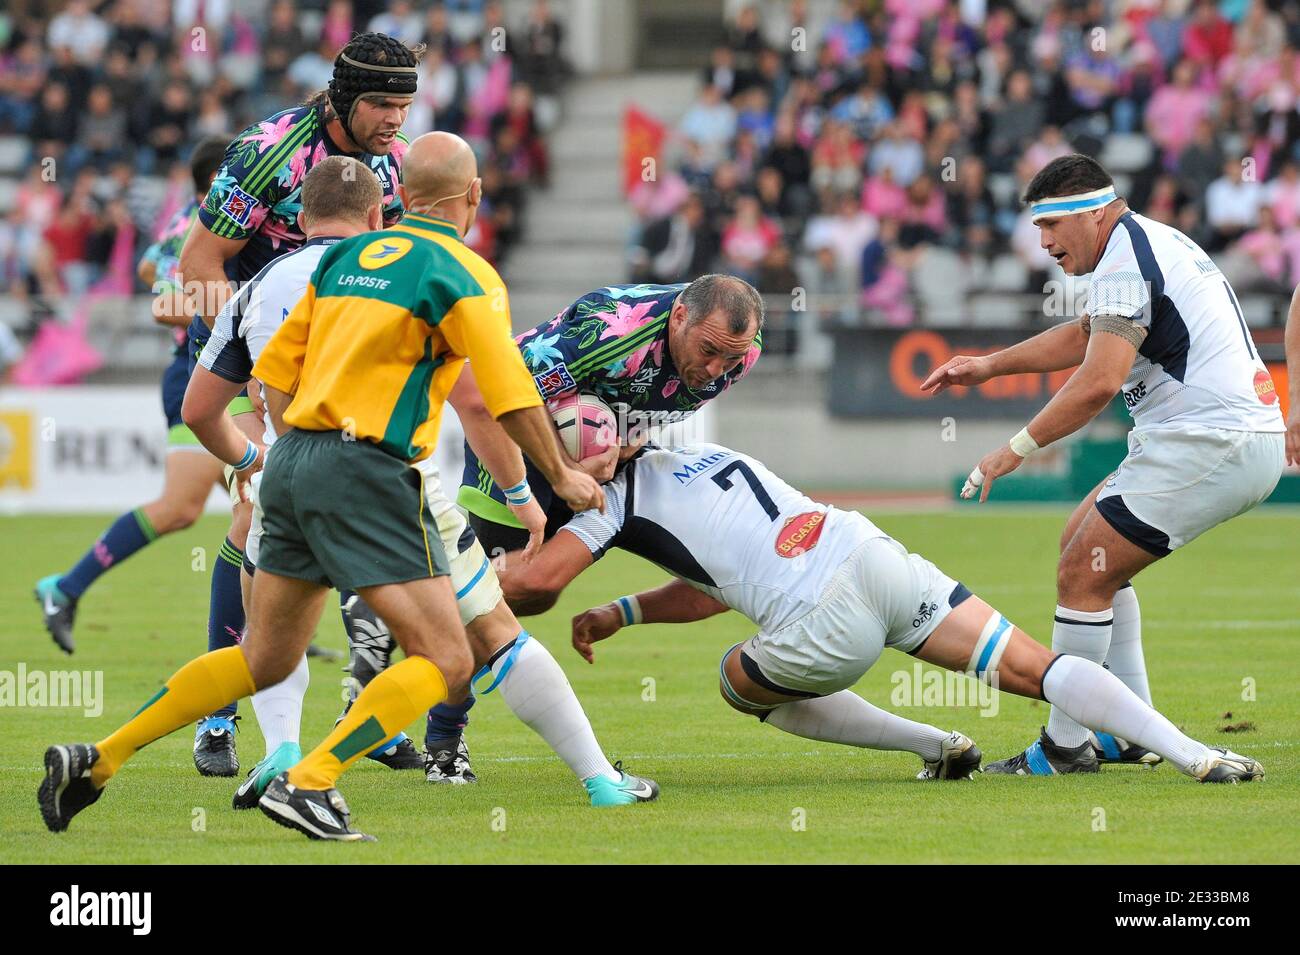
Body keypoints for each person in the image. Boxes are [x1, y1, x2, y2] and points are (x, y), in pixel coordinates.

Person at [38, 131, 607, 842]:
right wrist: (562, 475)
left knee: (263, 658)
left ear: (401, 196)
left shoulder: (339, 261)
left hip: (290, 460)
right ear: (474, 196)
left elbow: (272, 374)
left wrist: (293, 453)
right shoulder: (465, 272)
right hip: (370, 468)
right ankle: (309, 780)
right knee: (449, 657)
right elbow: (502, 395)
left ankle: (98, 758)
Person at [508, 442, 1263, 785]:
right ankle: (1192, 752)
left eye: (574, 429)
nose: (578, 442)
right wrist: (626, 611)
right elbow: (724, 578)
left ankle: (932, 741)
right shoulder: (709, 455)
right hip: (871, 552)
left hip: (823, 615)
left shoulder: (604, 497)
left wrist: (469, 576)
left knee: (735, 678)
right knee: (1037, 668)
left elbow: (539, 586)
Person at [922, 154, 1285, 775]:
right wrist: (986, 365)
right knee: (1084, 554)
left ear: (1091, 213)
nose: (1043, 244)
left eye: (1050, 226)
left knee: (1081, 577)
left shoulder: (1123, 260)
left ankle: (1067, 744)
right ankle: (1126, 729)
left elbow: (1098, 379)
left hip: (1208, 439)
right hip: (1214, 436)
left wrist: (1013, 451)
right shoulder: (1143, 243)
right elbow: (1087, 336)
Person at [178, 32, 420, 777]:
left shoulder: (395, 163)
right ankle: (218, 718)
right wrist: (252, 355)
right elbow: (197, 265)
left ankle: (366, 712)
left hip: (339, 357)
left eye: (405, 106)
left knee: (384, 515)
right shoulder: (267, 150)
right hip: (248, 348)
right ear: (344, 97)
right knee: (256, 511)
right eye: (382, 104)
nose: (394, 120)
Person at [419, 274, 762, 781]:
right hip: (519, 449)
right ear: (681, 316)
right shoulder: (608, 328)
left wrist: (620, 447)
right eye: (708, 351)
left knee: (713, 563)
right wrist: (564, 470)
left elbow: (664, 402)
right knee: (497, 600)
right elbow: (500, 397)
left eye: (728, 360)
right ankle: (443, 732)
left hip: (612, 459)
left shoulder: (741, 351)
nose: (715, 370)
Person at [33, 135, 231, 655]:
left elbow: (149, 265)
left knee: (255, 510)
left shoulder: (189, 221)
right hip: (200, 373)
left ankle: (270, 636)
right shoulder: (197, 225)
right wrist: (228, 305)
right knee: (188, 507)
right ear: (217, 182)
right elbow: (165, 301)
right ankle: (65, 588)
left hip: (217, 373)